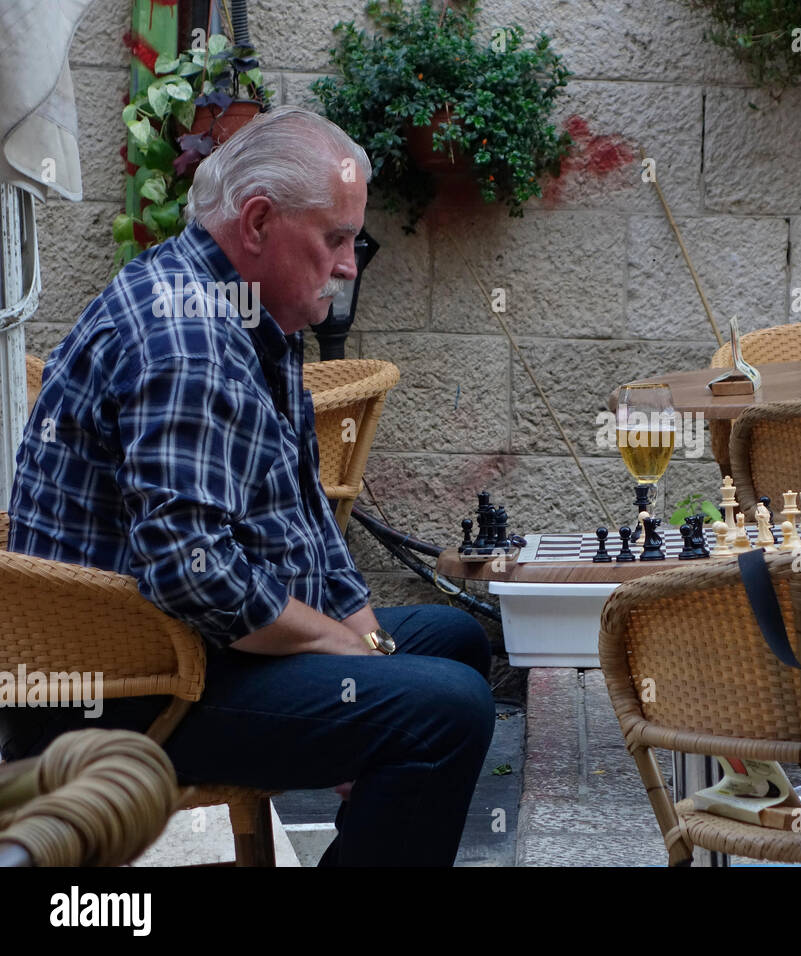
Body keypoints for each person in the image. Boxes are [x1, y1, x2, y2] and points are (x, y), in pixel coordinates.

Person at [1, 106, 496, 866]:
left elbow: (312, 533)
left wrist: (360, 652)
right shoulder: (188, 336)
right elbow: (193, 573)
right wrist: (355, 665)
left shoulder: (251, 317)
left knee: (454, 643)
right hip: (132, 688)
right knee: (446, 711)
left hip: (197, 652)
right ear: (259, 222)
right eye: (335, 239)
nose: (349, 265)